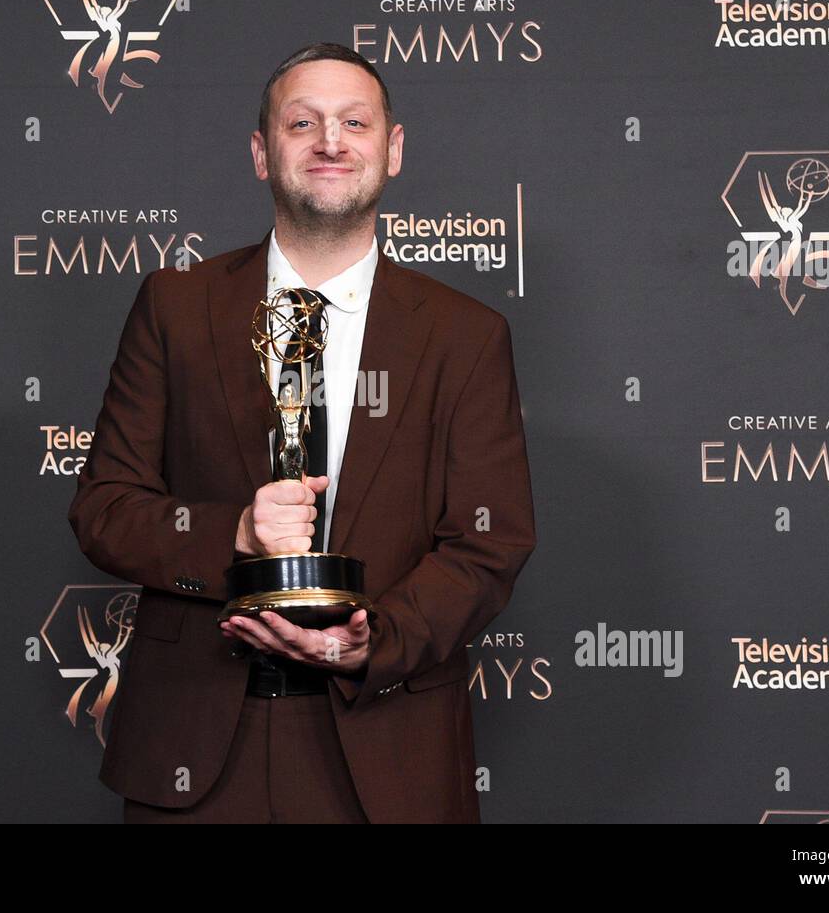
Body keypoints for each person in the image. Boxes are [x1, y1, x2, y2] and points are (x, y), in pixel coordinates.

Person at [68, 42, 536, 823]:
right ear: (261, 153)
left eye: (355, 121)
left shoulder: (466, 335)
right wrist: (236, 533)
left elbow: (490, 543)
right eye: (302, 122)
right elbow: (105, 508)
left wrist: (372, 641)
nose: (330, 140)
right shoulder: (175, 307)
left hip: (385, 745)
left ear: (392, 151)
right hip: (198, 747)